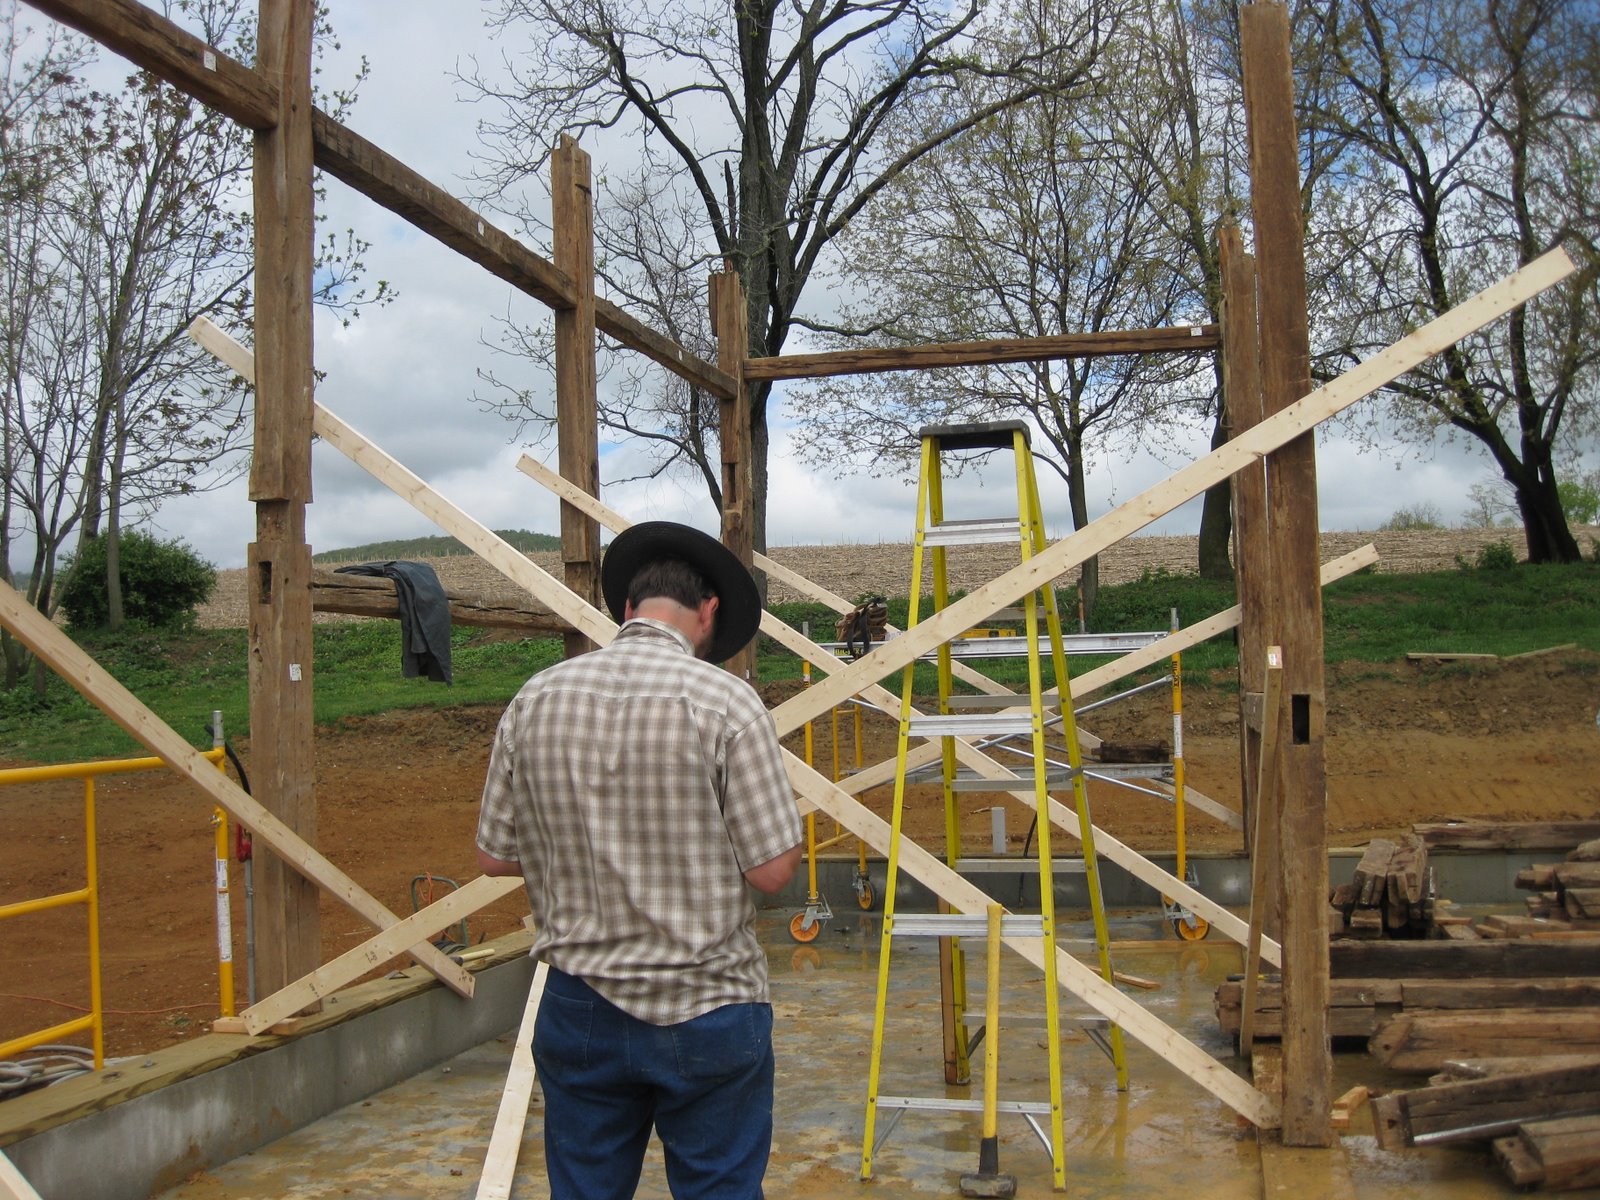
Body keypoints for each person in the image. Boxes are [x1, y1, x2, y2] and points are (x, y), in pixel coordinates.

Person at [475, 520, 803, 1200]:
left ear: (627, 606)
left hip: (581, 1002)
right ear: (708, 610)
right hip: (708, 1001)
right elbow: (771, 871)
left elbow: (493, 856)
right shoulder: (726, 702)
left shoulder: (536, 697)